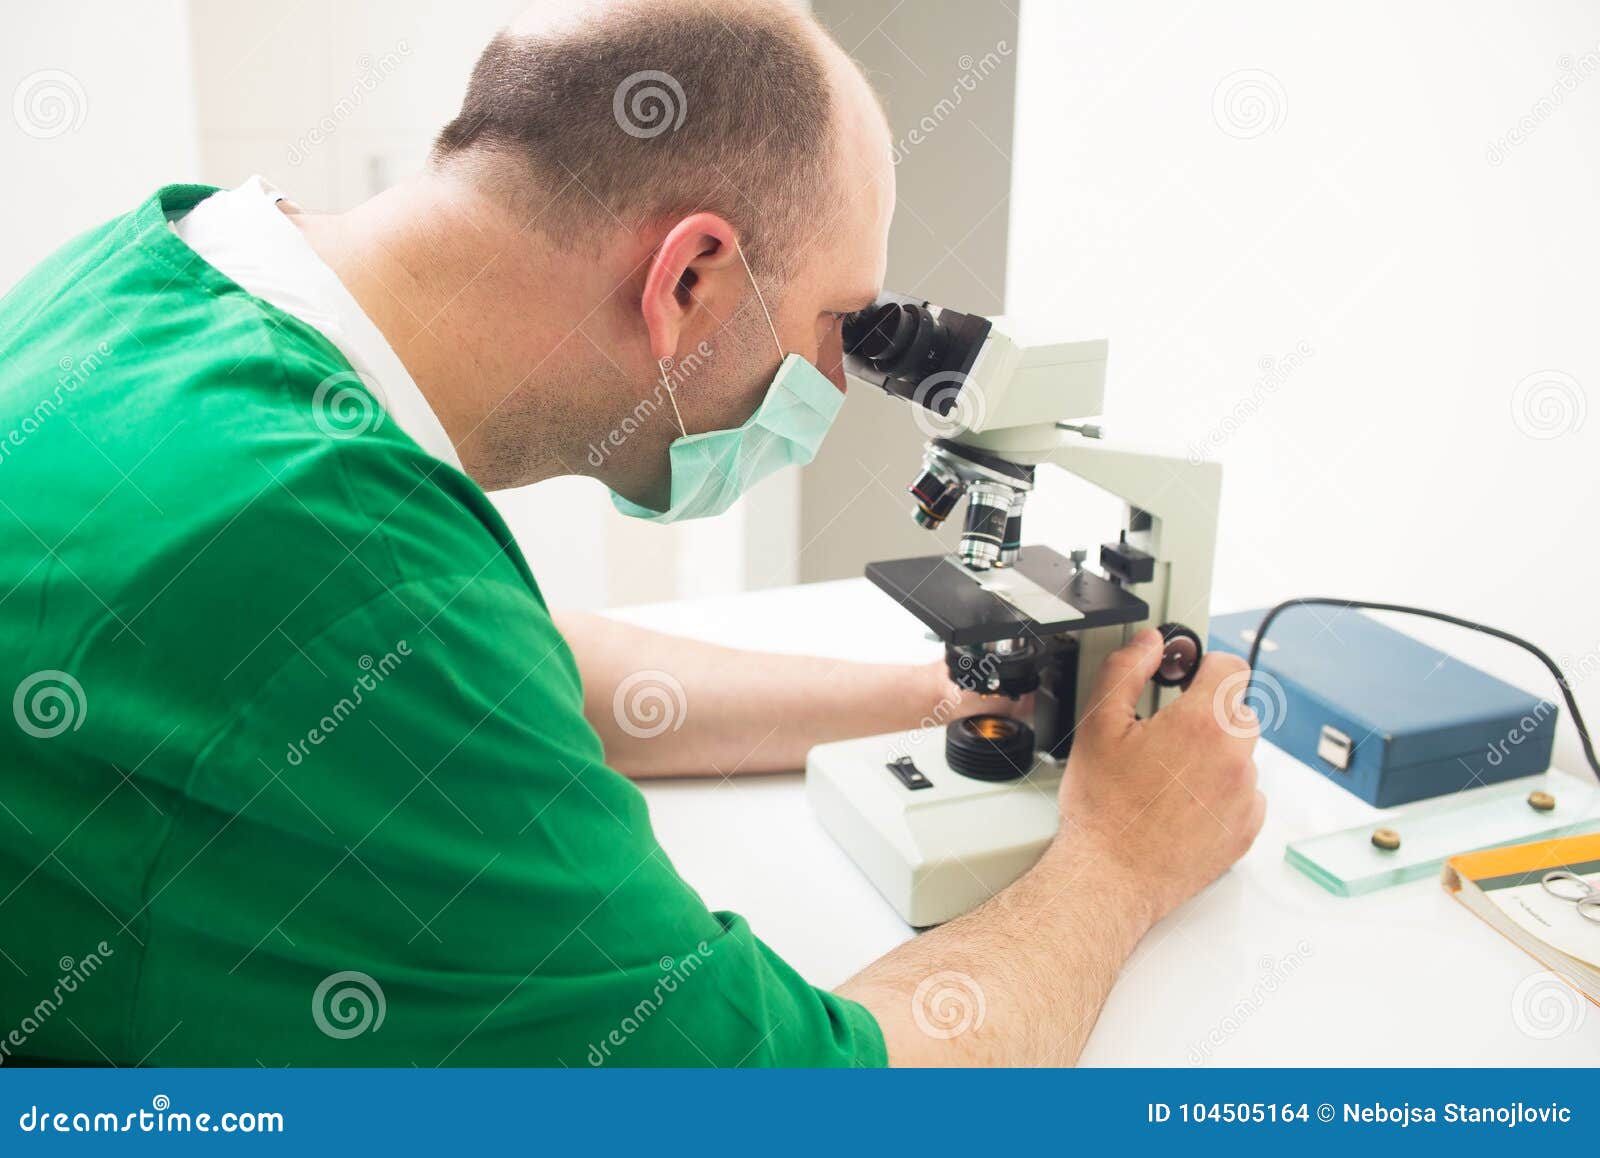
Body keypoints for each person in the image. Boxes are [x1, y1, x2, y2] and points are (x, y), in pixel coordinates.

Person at [0, 0, 1262, 1067]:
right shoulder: (357, 584)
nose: (832, 377)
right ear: (691, 281)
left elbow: (526, 668)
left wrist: (931, 694)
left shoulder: (161, 266)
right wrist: (1121, 861)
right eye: (836, 327)